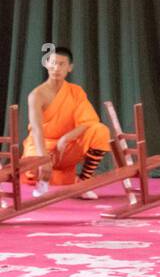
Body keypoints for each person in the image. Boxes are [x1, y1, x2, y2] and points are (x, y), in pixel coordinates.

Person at [21, 46, 111, 198]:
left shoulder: (75, 91)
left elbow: (89, 121)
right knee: (34, 167)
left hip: (65, 147)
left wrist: (66, 137)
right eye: (53, 63)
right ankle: (42, 183)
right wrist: (43, 158)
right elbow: (36, 129)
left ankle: (83, 182)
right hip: (42, 145)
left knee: (100, 131)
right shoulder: (36, 95)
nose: (56, 68)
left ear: (70, 68)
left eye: (62, 64)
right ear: (47, 64)